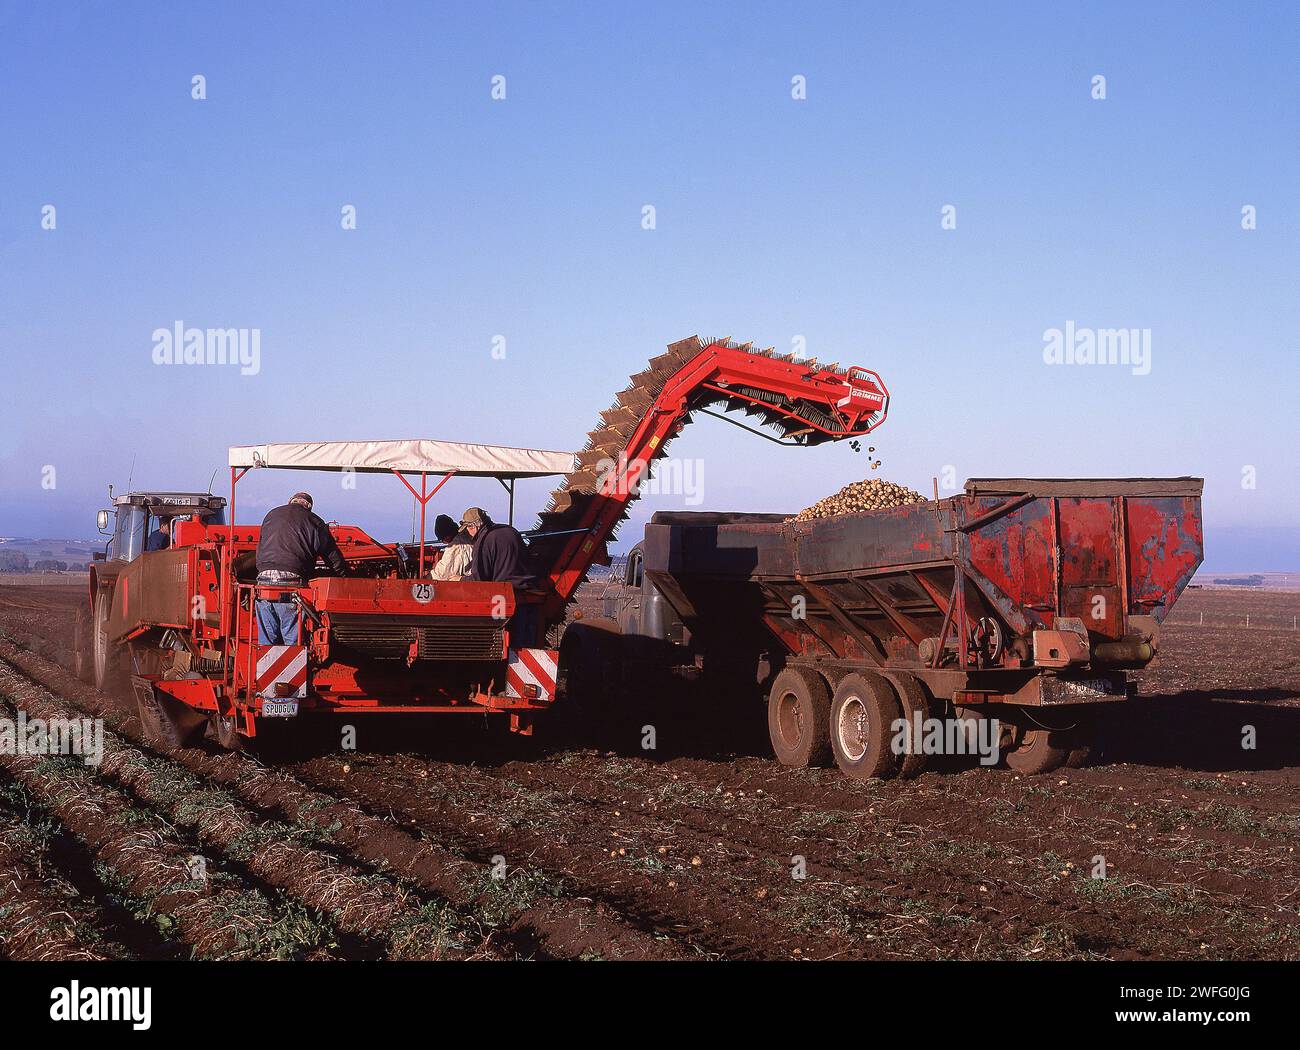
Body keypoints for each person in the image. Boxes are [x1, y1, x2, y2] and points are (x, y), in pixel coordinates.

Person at [254, 492, 347, 645]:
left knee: (267, 641)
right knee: (292, 639)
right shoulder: (314, 520)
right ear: (308, 507)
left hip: (264, 583)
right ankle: (292, 664)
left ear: (290, 501)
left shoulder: (271, 515)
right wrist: (344, 578)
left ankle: (266, 665)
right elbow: (332, 557)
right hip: (292, 585)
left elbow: (260, 549)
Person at [460, 507, 540, 646]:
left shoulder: (483, 541)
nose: (468, 532)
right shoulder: (510, 530)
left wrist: (459, 579)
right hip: (529, 596)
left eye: (467, 528)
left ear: (473, 526)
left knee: (504, 646)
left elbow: (479, 579)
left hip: (504, 601)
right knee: (528, 647)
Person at [429, 514, 473, 582]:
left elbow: (442, 574)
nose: (444, 542)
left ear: (447, 536)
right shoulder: (467, 538)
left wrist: (424, 578)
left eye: (442, 539)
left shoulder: (456, 546)